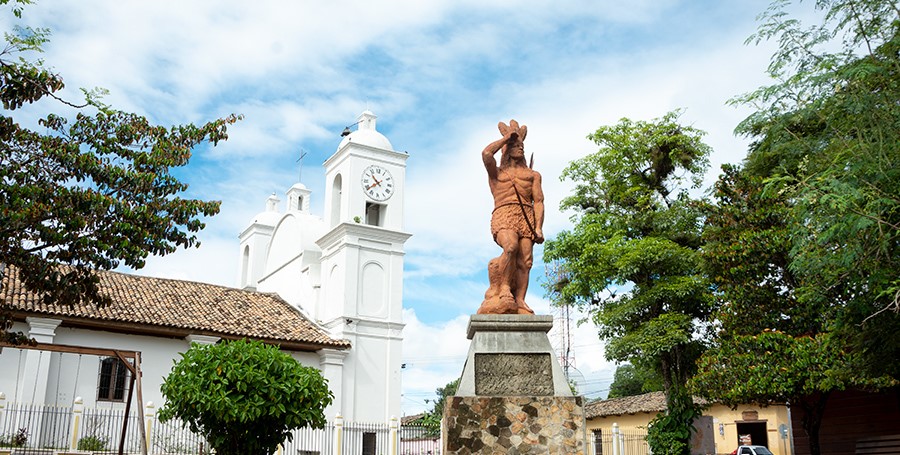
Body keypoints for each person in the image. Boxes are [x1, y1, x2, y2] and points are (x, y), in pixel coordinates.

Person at [479, 119, 544, 315]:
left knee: (526, 261)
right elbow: (486, 154)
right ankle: (504, 288)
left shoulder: (533, 175)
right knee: (510, 247)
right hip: (504, 214)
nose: (520, 148)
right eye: (515, 146)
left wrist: (539, 227)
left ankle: (520, 300)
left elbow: (539, 201)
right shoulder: (496, 173)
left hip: (526, 216)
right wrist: (506, 138)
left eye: (521, 145)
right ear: (507, 149)